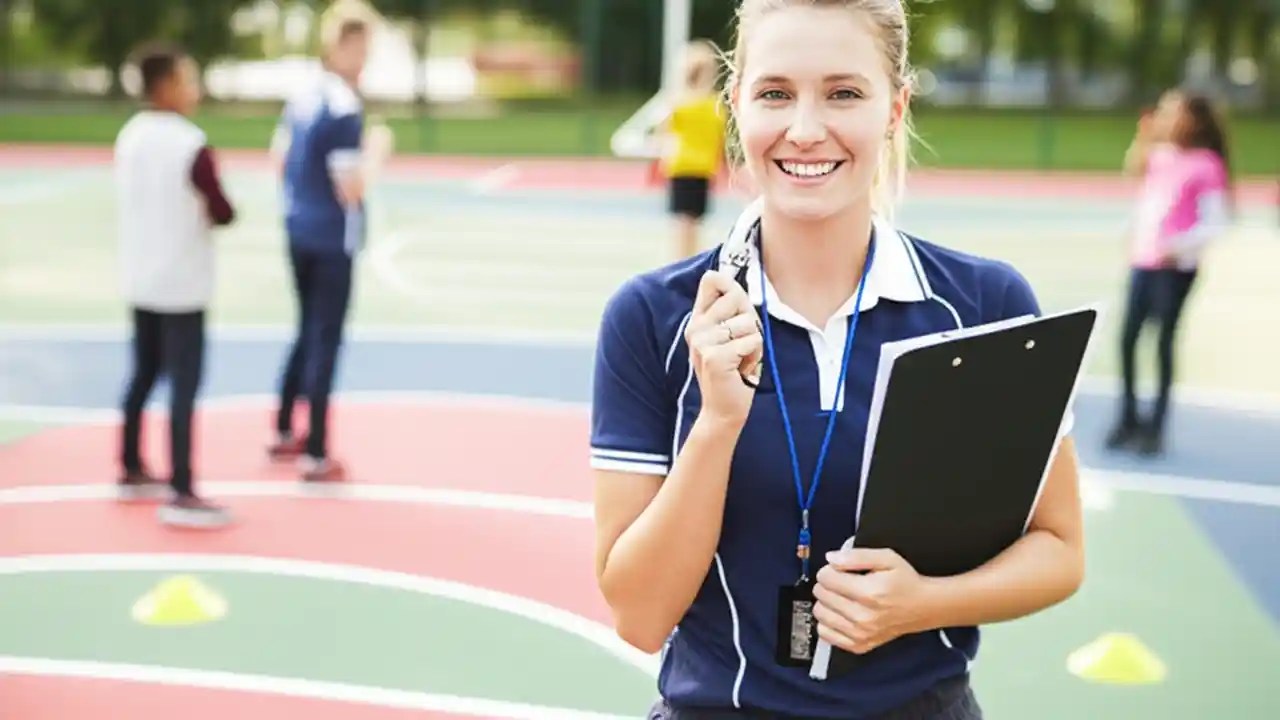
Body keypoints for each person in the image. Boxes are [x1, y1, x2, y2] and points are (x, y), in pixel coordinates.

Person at [589, 2, 1085, 718]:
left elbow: (1060, 549)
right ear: (736, 105)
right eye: (775, 93)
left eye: (845, 93)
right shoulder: (650, 318)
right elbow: (639, 616)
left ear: (896, 106)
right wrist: (718, 423)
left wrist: (922, 604)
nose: (806, 129)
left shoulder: (984, 304)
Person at [114, 43, 236, 528]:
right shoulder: (190, 142)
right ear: (164, 86)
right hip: (182, 280)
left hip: (141, 275)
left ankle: (129, 464)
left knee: (142, 374)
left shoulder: (130, 136)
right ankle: (183, 488)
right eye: (187, 79)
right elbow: (222, 209)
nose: (194, 89)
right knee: (183, 385)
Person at [265, 13, 375, 482]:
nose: (367, 58)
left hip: (297, 225)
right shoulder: (345, 106)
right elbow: (349, 186)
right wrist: (378, 159)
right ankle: (315, 449)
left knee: (306, 327)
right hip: (331, 235)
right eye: (363, 47)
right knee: (325, 337)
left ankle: (285, 426)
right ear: (343, 45)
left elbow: (278, 158)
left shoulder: (303, 95)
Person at [1108, 89, 1232, 457]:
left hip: (1175, 269)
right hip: (1143, 263)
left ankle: (1155, 426)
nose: (1166, 117)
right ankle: (1127, 417)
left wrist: (1175, 248)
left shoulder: (1207, 164)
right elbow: (1137, 177)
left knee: (1162, 343)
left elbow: (1216, 223)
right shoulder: (1162, 156)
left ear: (1193, 119)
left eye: (1172, 112)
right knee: (1128, 339)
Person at [656, 39, 729, 260]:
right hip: (703, 167)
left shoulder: (679, 103)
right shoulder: (714, 105)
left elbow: (664, 131)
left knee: (681, 221)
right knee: (695, 221)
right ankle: (691, 259)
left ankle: (680, 259)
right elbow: (720, 138)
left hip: (680, 165)